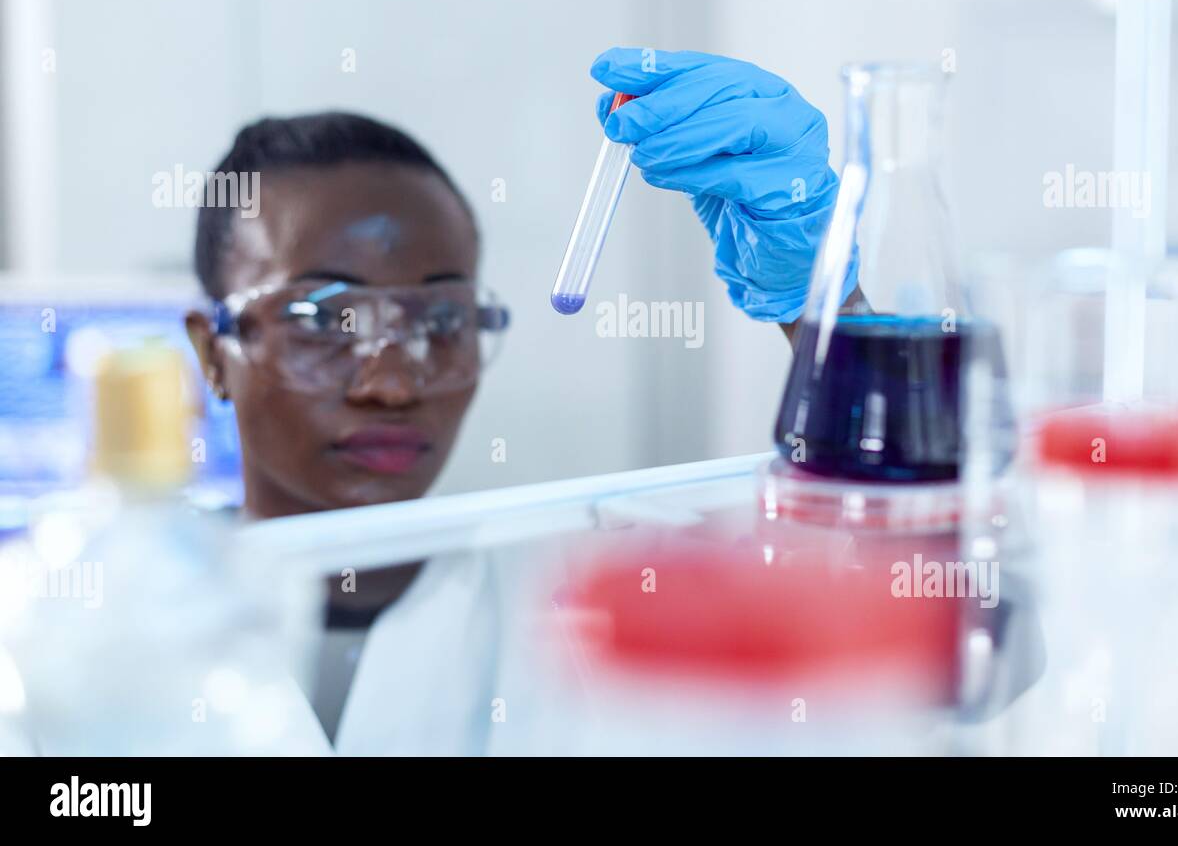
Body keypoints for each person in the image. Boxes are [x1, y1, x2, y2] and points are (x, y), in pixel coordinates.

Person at [184, 47, 848, 744]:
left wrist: (823, 308)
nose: (392, 383)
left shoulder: (581, 605)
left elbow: (883, 626)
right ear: (211, 352)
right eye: (323, 319)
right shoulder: (94, 627)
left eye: (441, 320)